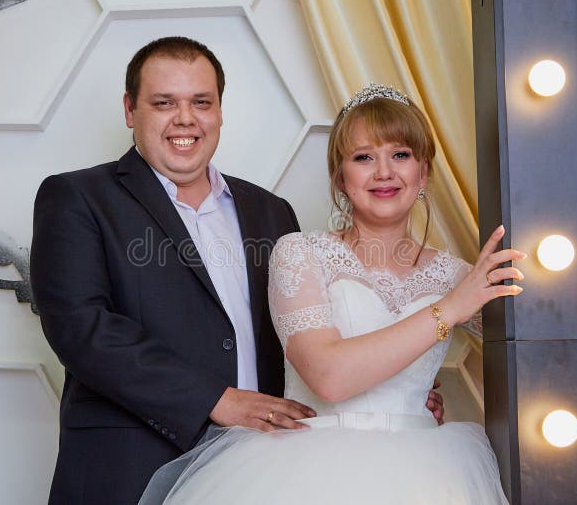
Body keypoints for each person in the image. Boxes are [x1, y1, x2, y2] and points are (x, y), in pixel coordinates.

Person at [140, 84, 577, 505]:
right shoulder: (300, 253)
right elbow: (329, 376)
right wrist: (451, 309)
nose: (384, 172)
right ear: (341, 178)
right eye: (364, 157)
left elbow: (550, 377)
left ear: (424, 172)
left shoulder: (460, 275)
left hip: (430, 473)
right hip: (301, 470)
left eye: (401, 154)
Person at [30, 40, 446, 504]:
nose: (185, 118)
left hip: (264, 469)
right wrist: (216, 399)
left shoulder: (270, 212)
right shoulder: (78, 197)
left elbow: (307, 330)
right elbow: (81, 330)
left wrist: (402, 391)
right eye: (164, 103)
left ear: (220, 112)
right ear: (130, 110)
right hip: (132, 466)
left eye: (201, 102)